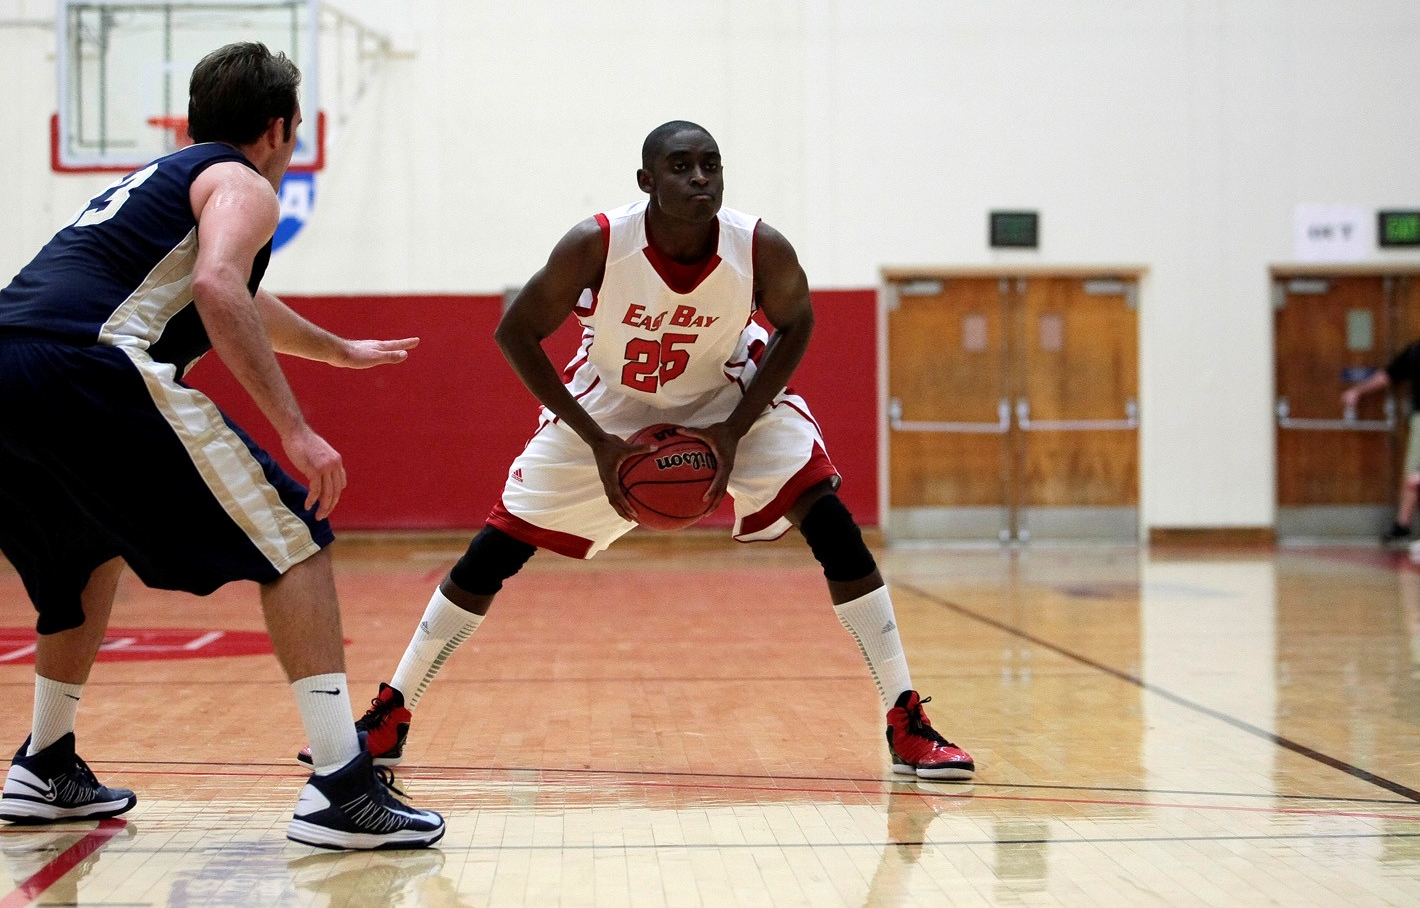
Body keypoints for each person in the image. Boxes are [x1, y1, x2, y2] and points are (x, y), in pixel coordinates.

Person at [309, 120, 975, 782]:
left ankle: (906, 720)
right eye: (681, 167)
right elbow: (515, 332)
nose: (700, 178)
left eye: (711, 164)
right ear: (647, 181)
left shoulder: (758, 247)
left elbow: (797, 323)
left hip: (725, 393)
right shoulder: (599, 244)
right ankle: (392, 712)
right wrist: (596, 441)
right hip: (612, 402)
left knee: (829, 520)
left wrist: (735, 428)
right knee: (497, 547)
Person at [0, 42, 444, 849]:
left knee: (84, 554)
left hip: (10, 368)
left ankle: (45, 763)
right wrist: (296, 429)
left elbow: (229, 289)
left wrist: (336, 349)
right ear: (278, 129)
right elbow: (216, 285)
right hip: (86, 364)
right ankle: (341, 787)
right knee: (295, 538)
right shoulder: (243, 183)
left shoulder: (162, 182)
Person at [1342, 339, 1420, 545]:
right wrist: (1358, 391)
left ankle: (1402, 524)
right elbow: (1388, 376)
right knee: (1414, 476)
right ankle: (1402, 525)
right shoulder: (1415, 351)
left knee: (1415, 476)